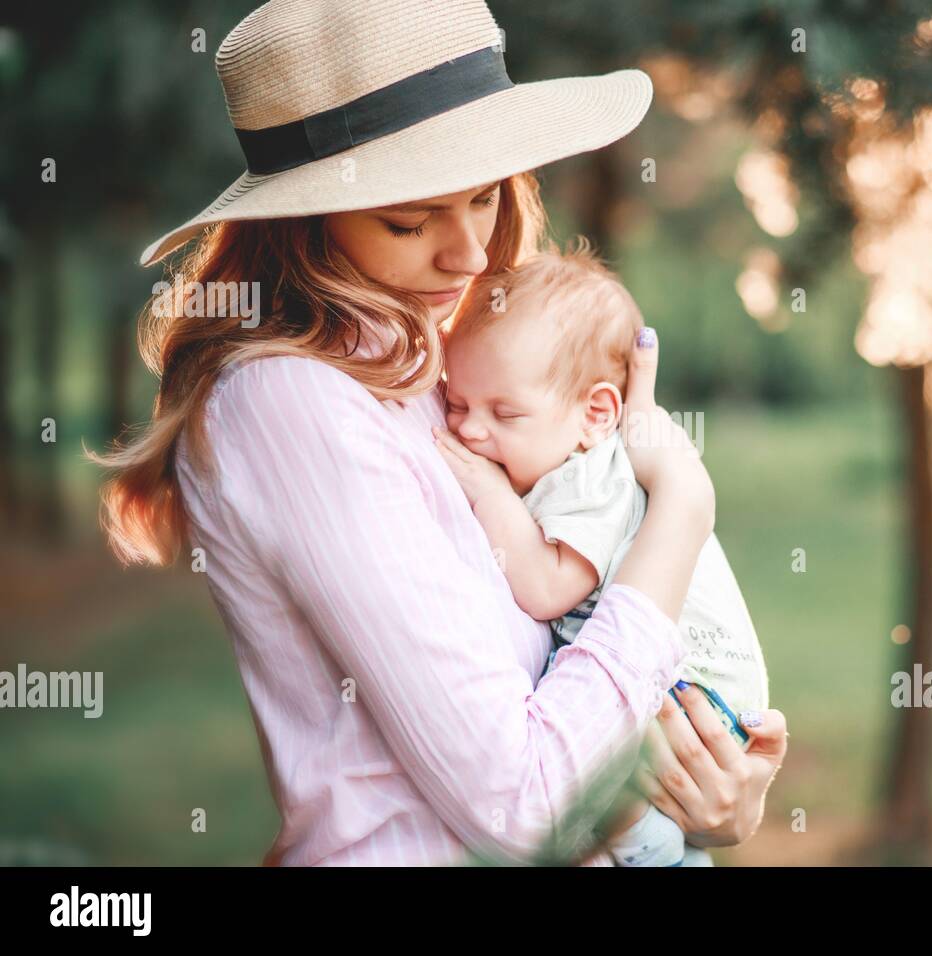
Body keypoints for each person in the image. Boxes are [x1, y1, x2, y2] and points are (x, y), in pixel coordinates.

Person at [95, 0, 786, 865]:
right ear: (305, 220)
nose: (467, 253)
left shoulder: (437, 370)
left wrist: (705, 794)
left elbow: (559, 686)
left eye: (486, 196)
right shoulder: (291, 400)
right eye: (408, 220)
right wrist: (681, 504)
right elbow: (527, 804)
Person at [436, 246, 771, 865]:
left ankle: (660, 854)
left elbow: (545, 586)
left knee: (606, 801)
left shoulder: (592, 478)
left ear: (596, 414)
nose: (469, 431)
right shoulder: (566, 457)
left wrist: (485, 491)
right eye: (456, 404)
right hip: (689, 695)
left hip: (693, 695)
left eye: (503, 412)